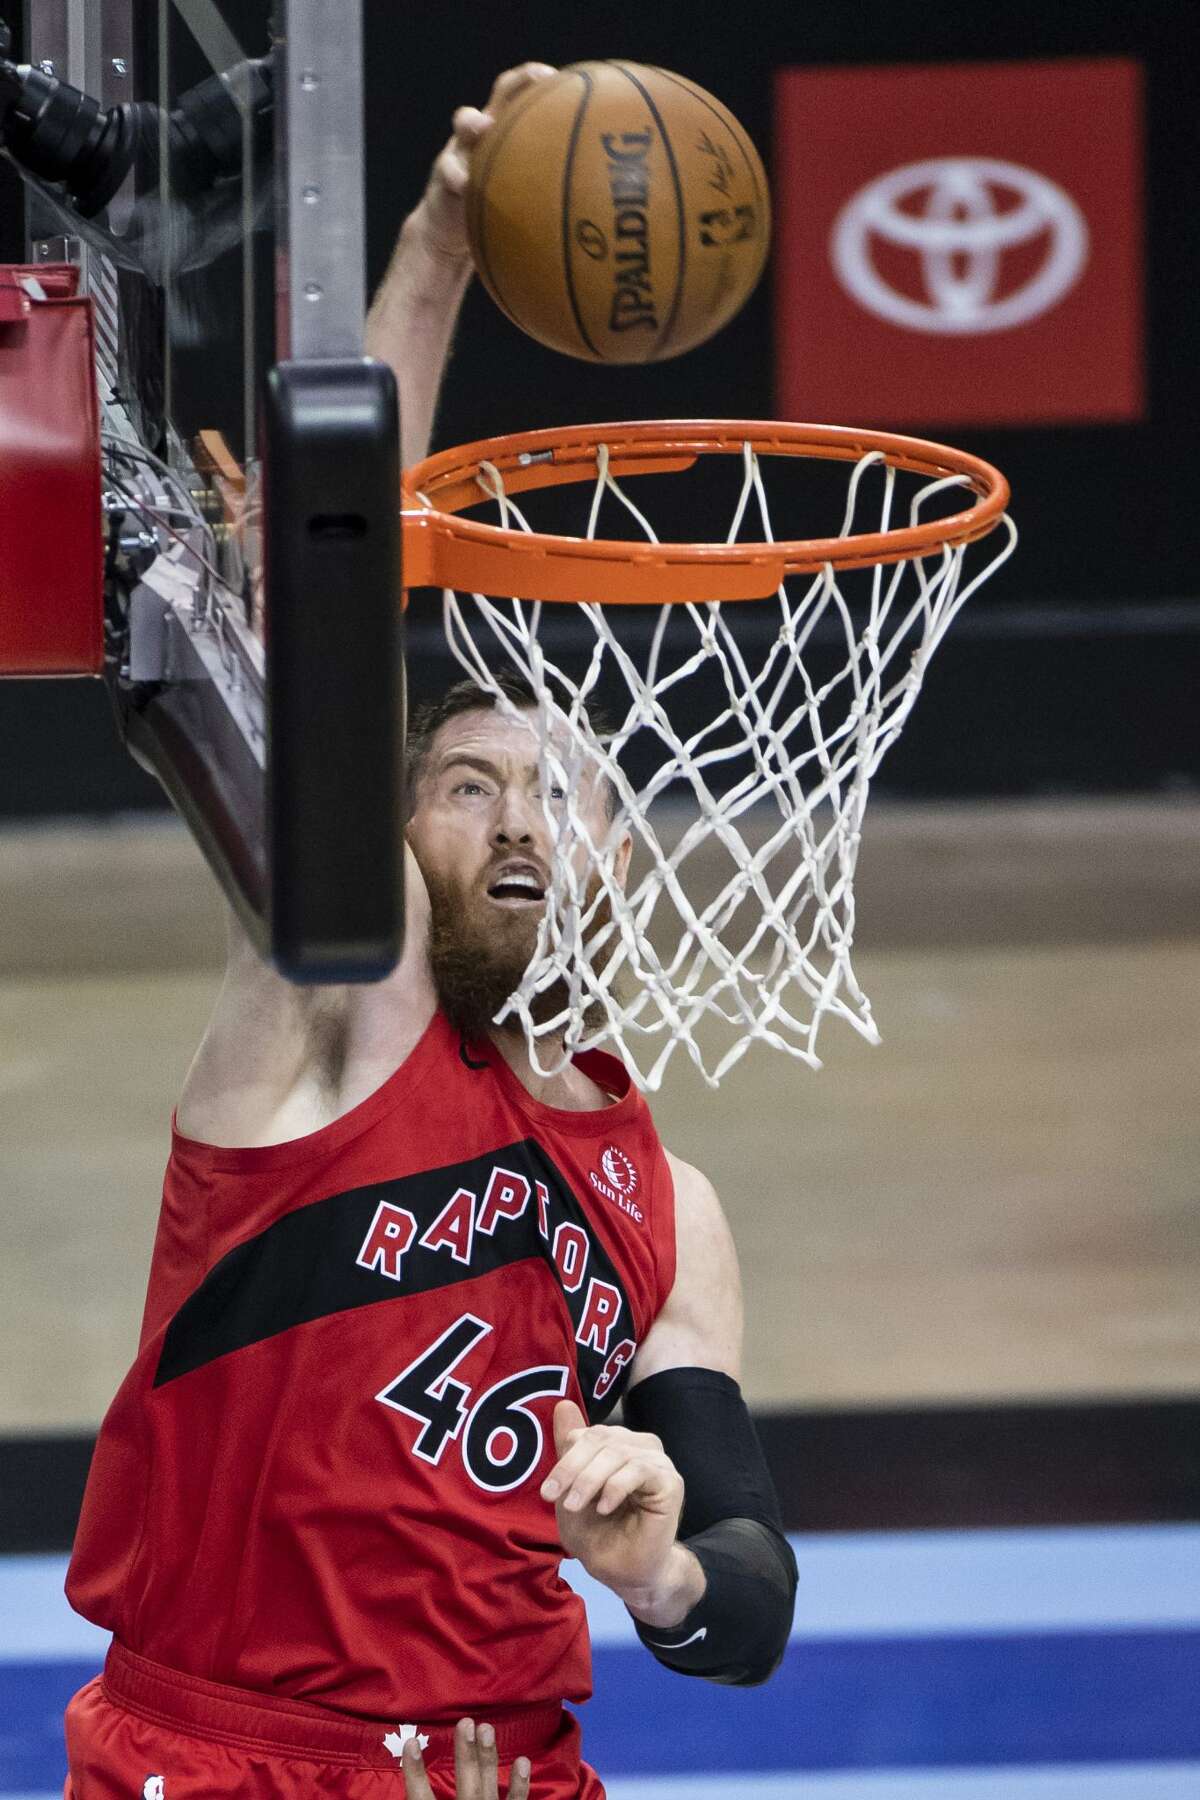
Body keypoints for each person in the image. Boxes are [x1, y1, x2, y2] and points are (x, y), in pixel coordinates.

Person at [62, 64, 797, 1800]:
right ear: (386, 839)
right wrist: (444, 246)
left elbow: (749, 1600)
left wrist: (663, 1574)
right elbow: (333, 592)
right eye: (468, 786)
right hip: (234, 1760)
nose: (524, 818)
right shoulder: (343, 1008)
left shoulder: (665, 1206)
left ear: (619, 858)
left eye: (563, 797)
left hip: (515, 1769)